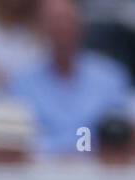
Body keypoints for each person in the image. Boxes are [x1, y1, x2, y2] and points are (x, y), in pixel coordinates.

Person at [11, 0, 131, 156]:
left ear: (81, 25)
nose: (61, 29)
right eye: (54, 22)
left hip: (101, 172)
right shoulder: (22, 82)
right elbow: (18, 139)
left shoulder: (111, 77)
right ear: (41, 28)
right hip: (41, 172)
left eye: (67, 21)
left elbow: (123, 131)